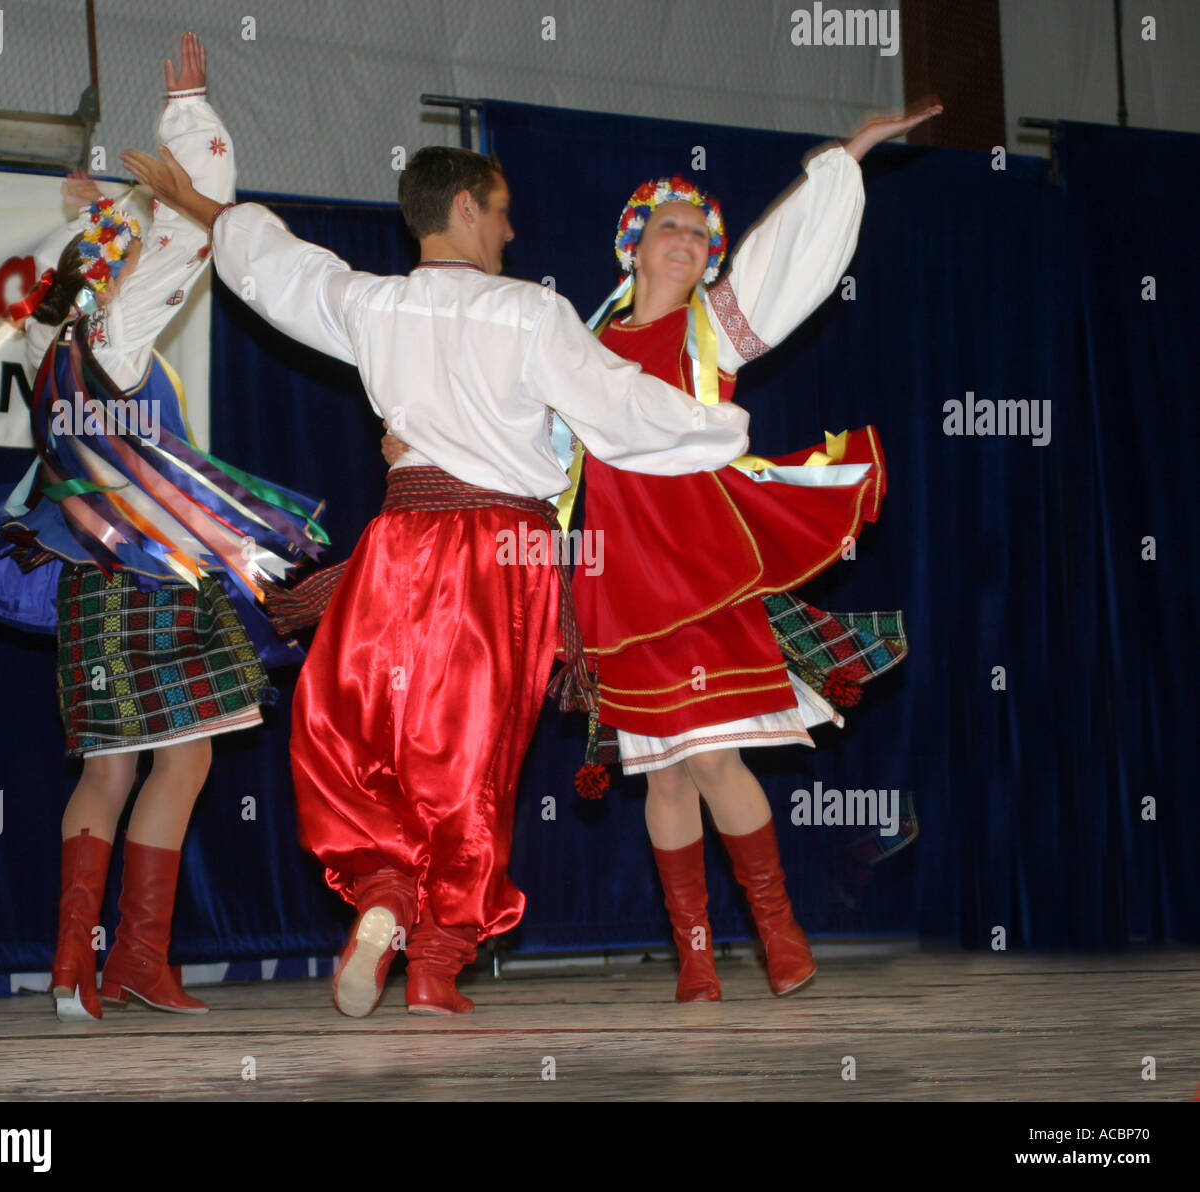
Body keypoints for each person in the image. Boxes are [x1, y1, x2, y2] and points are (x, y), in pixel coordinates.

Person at [122, 140, 750, 1016]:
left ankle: (384, 891)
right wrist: (721, 430)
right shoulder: (530, 313)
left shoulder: (373, 304)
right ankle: (436, 963)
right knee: (472, 763)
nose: (510, 226)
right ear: (464, 209)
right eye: (499, 210)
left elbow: (275, 267)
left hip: (398, 543)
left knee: (363, 736)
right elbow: (621, 406)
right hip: (500, 554)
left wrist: (195, 202)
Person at [383, 101, 935, 1003]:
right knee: (666, 775)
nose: (687, 240)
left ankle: (777, 930)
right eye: (669, 227)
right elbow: (518, 442)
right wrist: (420, 448)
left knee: (718, 758)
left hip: (705, 575)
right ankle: (696, 956)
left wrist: (842, 162)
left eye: (700, 233)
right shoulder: (578, 345)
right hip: (622, 585)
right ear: (631, 245)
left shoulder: (711, 328)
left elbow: (782, 256)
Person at [0, 34, 327, 1021]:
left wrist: (107, 208)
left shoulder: (57, 358)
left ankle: (80, 967)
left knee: (120, 766)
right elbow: (193, 227)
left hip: (95, 588)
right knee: (175, 762)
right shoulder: (117, 340)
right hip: (149, 584)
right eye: (136, 254)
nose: (156, 260)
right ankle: (134, 957)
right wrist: (190, 113)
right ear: (118, 275)